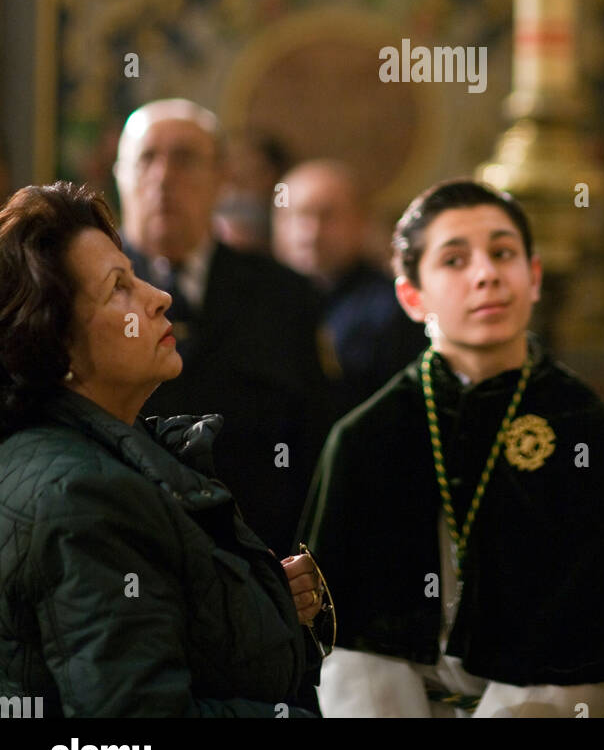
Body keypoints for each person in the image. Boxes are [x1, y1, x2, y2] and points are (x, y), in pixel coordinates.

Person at [300, 179, 604, 717]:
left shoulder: (593, 434)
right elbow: (341, 635)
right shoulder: (364, 438)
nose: (487, 274)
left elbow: (599, 632)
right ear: (411, 294)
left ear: (533, 276)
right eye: (454, 259)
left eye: (503, 253)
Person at [0, 181, 325, 717]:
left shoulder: (87, 452)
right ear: (54, 342)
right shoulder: (86, 495)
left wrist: (260, 602)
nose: (158, 297)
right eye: (119, 288)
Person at [115, 99, 331, 556]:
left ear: (221, 178)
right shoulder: (86, 296)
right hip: (125, 552)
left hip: (255, 556)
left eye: (185, 158)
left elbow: (314, 440)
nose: (163, 176)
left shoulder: (284, 295)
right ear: (120, 175)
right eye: (146, 158)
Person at [272, 159, 425, 409]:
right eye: (296, 215)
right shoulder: (255, 299)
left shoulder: (393, 308)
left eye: (327, 216)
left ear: (361, 221)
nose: (310, 232)